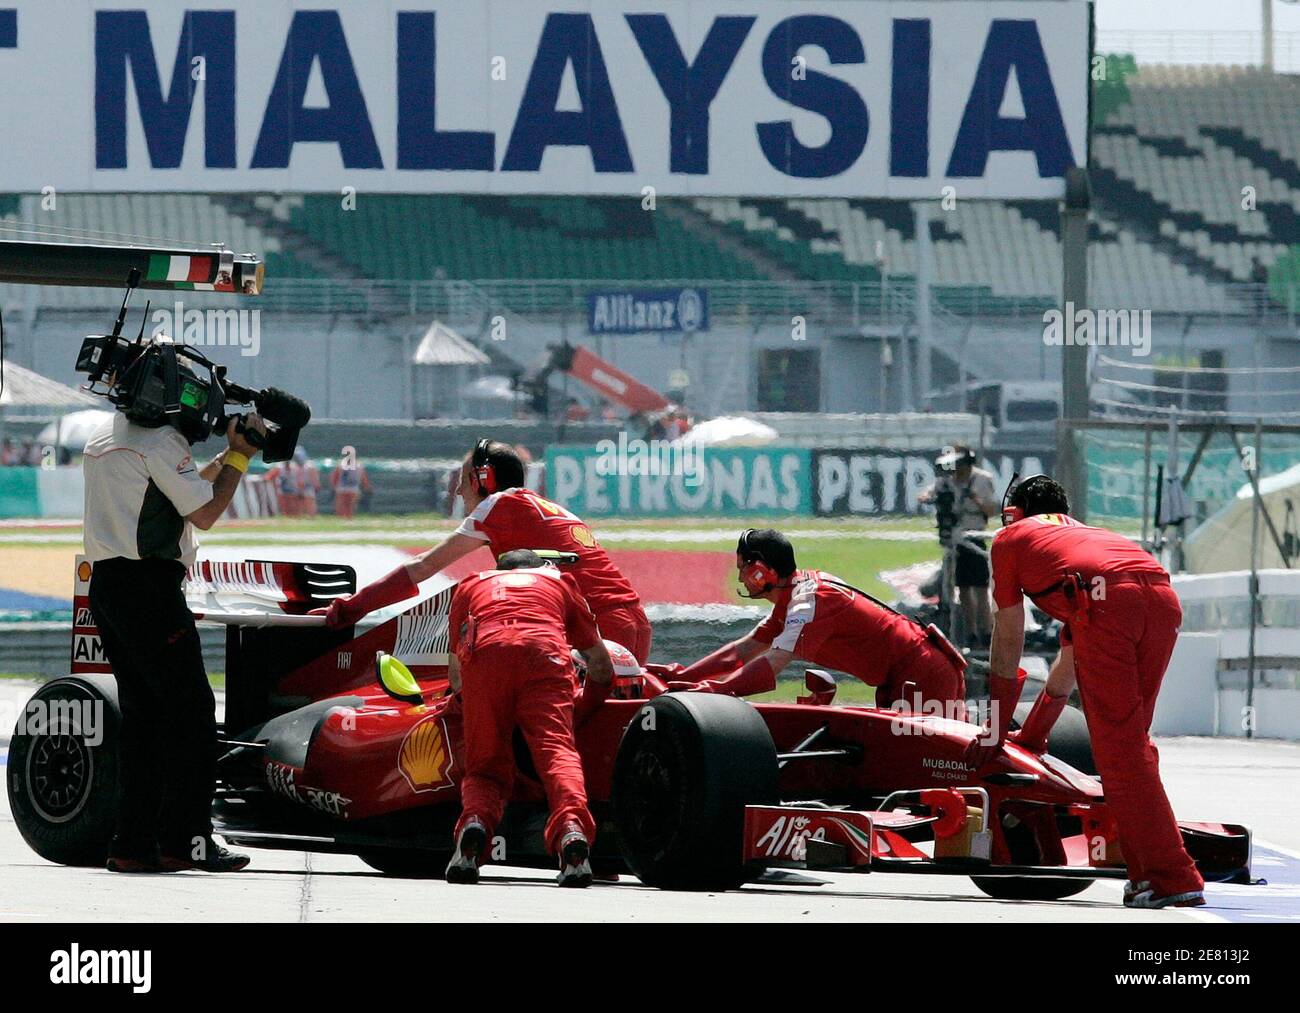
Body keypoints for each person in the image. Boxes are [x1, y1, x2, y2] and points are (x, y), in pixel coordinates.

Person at [968, 474, 1204, 909]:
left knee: (1120, 755)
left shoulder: (1011, 540)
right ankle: (1145, 873)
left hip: (1108, 601)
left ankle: (1173, 876)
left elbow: (1007, 634)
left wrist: (996, 727)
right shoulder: (1082, 540)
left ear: (1014, 514)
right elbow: (1069, 664)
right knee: (1132, 748)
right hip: (1160, 597)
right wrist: (1035, 732)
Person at [82, 410, 266, 874]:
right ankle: (187, 841)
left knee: (143, 720)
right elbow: (203, 512)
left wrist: (226, 455)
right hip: (151, 590)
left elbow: (174, 490)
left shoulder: (104, 433)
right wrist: (240, 459)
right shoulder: (164, 440)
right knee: (192, 716)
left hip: (107, 585)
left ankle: (132, 844)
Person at [321, 439, 652, 663]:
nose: (459, 488)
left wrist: (348, 610)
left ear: (484, 480)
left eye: (465, 478)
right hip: (631, 623)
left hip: (597, 629)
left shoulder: (496, 505)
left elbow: (422, 567)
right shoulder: (547, 507)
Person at [443, 549, 613, 887]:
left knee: (484, 766)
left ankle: (475, 824)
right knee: (557, 753)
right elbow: (600, 663)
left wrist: (470, 706)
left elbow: (456, 676)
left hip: (485, 660)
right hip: (544, 657)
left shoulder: (470, 585)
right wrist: (587, 704)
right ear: (540, 569)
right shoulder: (560, 581)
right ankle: (571, 830)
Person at [668, 529, 966, 711]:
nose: (741, 576)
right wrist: (680, 678)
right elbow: (741, 651)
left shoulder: (805, 604)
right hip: (910, 673)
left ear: (763, 572)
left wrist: (718, 691)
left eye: (744, 568)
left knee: (922, 774)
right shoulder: (796, 596)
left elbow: (770, 666)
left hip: (922, 674)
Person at [920, 445, 998, 646]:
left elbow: (991, 510)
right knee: (962, 588)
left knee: (981, 588)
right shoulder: (946, 479)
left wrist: (975, 499)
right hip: (955, 538)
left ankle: (986, 631)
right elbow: (929, 492)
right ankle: (970, 633)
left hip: (974, 537)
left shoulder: (982, 479)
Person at [330, 445, 372, 518]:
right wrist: (367, 487)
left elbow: (334, 477)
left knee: (341, 508)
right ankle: (348, 520)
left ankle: (343, 520)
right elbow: (363, 478)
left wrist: (333, 487)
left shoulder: (340, 465)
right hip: (353, 489)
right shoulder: (359, 465)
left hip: (342, 489)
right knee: (350, 508)